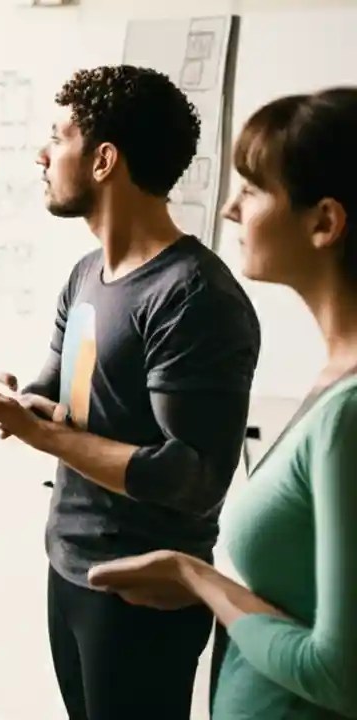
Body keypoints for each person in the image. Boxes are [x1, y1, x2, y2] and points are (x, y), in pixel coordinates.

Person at [0, 65, 261, 720]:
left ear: (104, 159)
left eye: (58, 136)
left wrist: (42, 433)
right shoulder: (85, 275)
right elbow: (60, 398)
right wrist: (13, 400)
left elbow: (190, 477)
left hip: (146, 593)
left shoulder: (193, 296)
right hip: (70, 565)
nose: (42, 153)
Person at [88, 88, 357, 720]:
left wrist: (195, 577)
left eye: (254, 188)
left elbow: (339, 675)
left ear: (324, 222)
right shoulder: (333, 383)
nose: (232, 209)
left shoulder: (348, 413)